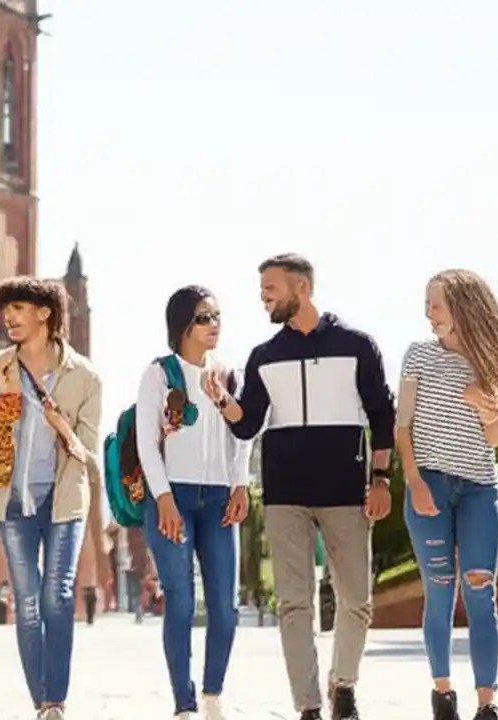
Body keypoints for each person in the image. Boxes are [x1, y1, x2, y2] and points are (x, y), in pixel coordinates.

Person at [203, 253, 395, 720]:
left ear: (301, 288)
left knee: (355, 599)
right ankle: (308, 705)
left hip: (346, 492)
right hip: (285, 494)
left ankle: (343, 684)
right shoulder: (265, 356)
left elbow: (382, 415)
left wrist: (381, 479)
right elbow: (247, 425)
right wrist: (224, 402)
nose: (264, 297)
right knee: (294, 603)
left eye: (271, 287)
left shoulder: (357, 345)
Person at [0, 277, 103, 720]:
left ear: (44, 314)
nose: (9, 318)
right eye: (6, 310)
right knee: (27, 600)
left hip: (64, 501)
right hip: (11, 503)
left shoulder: (84, 376)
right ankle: (42, 701)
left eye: (18, 309)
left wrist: (62, 426)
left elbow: (88, 452)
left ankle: (56, 699)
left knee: (58, 594)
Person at [397, 269, 498, 720]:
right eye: (427, 305)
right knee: (439, 592)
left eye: (435, 305)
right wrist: (415, 481)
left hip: (481, 488)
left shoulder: (490, 362)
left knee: (481, 592)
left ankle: (487, 703)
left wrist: (488, 406)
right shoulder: (418, 356)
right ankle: (443, 694)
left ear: (462, 307)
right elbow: (402, 427)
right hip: (430, 484)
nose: (428, 314)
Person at [136, 285, 251, 720]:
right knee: (180, 600)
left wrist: (240, 484)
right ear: (182, 324)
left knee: (224, 604)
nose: (214, 325)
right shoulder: (159, 374)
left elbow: (244, 434)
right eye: (204, 318)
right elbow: (147, 444)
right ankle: (183, 703)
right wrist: (163, 498)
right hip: (173, 496)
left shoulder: (230, 375)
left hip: (220, 497)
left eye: (217, 316)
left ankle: (212, 695)